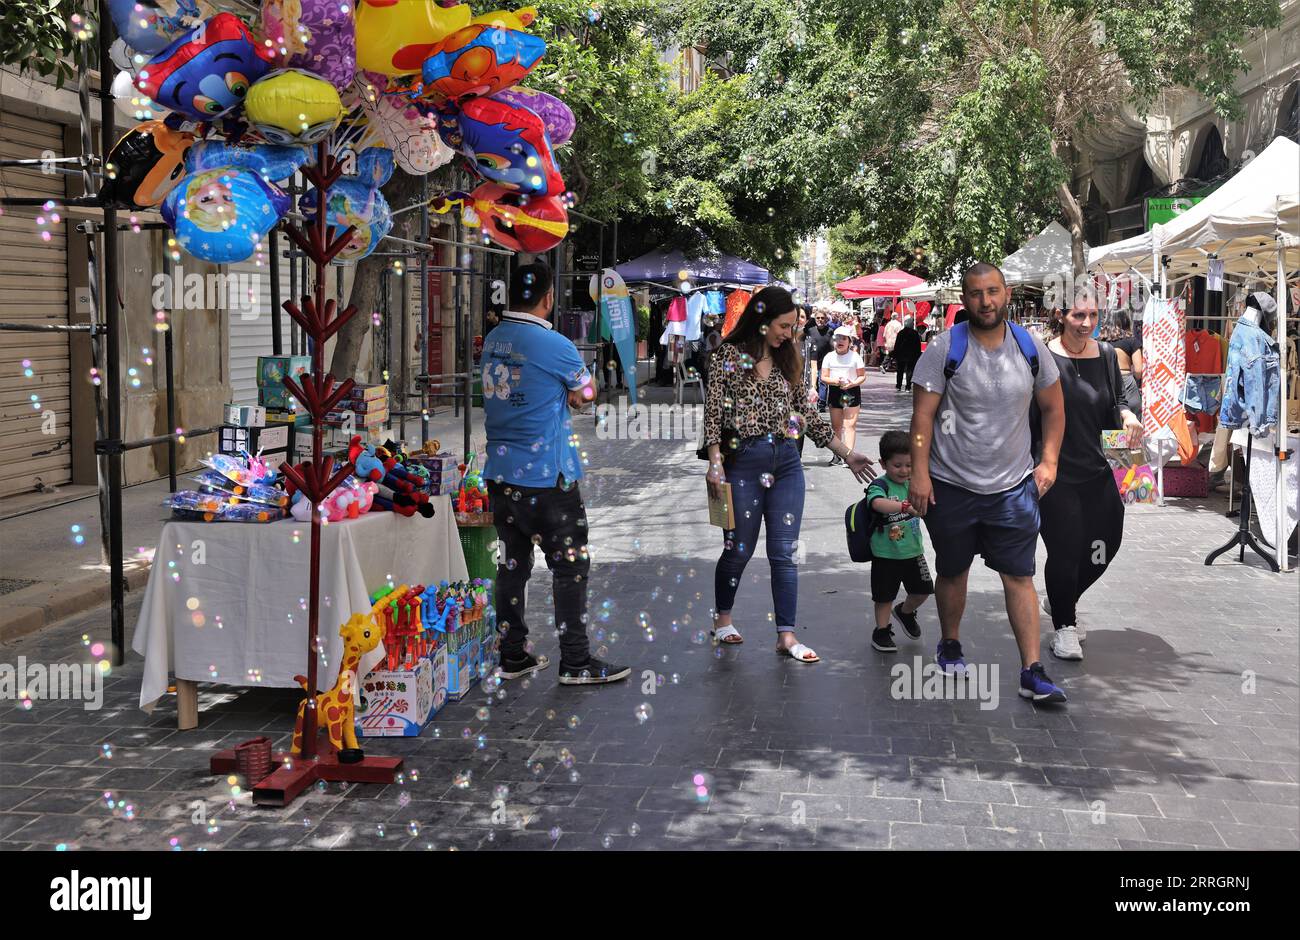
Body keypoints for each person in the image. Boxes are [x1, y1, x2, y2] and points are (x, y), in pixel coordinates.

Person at [908, 261, 1070, 704]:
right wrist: (919, 473)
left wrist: (1049, 462)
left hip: (1013, 489)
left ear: (1007, 293)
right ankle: (951, 642)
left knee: (1019, 575)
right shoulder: (944, 349)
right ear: (965, 298)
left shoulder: (1030, 347)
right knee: (952, 570)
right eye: (977, 293)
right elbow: (921, 417)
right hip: (951, 485)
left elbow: (1055, 408)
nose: (986, 301)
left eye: (993, 291)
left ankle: (1032, 670)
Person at [703, 286, 876, 663]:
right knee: (739, 550)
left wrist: (847, 453)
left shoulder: (789, 359)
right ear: (762, 320)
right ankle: (724, 619)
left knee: (784, 552)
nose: (789, 333)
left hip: (786, 463)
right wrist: (715, 462)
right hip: (743, 462)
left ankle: (786, 634)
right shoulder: (728, 355)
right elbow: (713, 413)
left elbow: (807, 415)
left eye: (792, 326)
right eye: (784, 325)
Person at [482, 262, 630, 686]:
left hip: (501, 475)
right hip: (548, 478)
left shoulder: (494, 339)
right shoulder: (554, 344)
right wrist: (572, 394)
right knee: (569, 567)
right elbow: (587, 392)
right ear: (548, 297)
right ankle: (576, 661)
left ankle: (512, 656)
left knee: (513, 564)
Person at [1034, 291, 1144, 661]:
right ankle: (1065, 626)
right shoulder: (1043, 357)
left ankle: (1063, 598)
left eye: (1093, 314)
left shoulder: (1109, 355)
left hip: (1104, 468)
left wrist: (1128, 416)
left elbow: (1116, 403)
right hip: (1055, 471)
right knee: (1066, 548)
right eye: (1079, 314)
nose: (1087, 323)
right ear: (1061, 315)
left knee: (1105, 545)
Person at [866, 430, 934, 652]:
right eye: (898, 465)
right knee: (884, 596)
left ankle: (905, 612)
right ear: (883, 464)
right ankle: (882, 631)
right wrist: (905, 507)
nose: (904, 470)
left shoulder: (915, 484)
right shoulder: (880, 485)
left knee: (923, 590)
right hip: (885, 554)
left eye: (909, 465)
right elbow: (877, 503)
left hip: (913, 551)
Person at [821, 326, 866, 466]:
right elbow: (823, 377)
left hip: (851, 391)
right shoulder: (829, 357)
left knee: (850, 425)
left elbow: (862, 376)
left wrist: (852, 384)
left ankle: (849, 456)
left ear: (849, 341)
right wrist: (835, 381)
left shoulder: (855, 357)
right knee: (836, 426)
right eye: (837, 338)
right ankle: (837, 455)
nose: (840, 341)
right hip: (835, 391)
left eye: (844, 338)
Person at [1103, 309, 1144, 415]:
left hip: (1105, 385)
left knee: (1111, 427)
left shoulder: (1098, 342)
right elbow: (1139, 371)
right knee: (1131, 427)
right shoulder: (1132, 341)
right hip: (1128, 386)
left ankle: (1115, 433)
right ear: (1126, 321)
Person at [806, 308, 835, 411]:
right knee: (814, 382)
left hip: (825, 362)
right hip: (813, 361)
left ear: (826, 319)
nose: (820, 320)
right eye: (818, 318)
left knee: (823, 383)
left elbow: (833, 347)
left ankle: (822, 404)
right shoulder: (810, 330)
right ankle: (815, 401)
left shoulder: (830, 331)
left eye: (822, 318)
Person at [892, 316, 923, 392]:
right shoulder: (915, 333)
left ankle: (898, 385)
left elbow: (897, 344)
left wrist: (895, 354)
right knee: (910, 371)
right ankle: (908, 386)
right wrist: (918, 355)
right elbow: (918, 345)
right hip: (911, 355)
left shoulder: (901, 333)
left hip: (901, 355)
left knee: (900, 370)